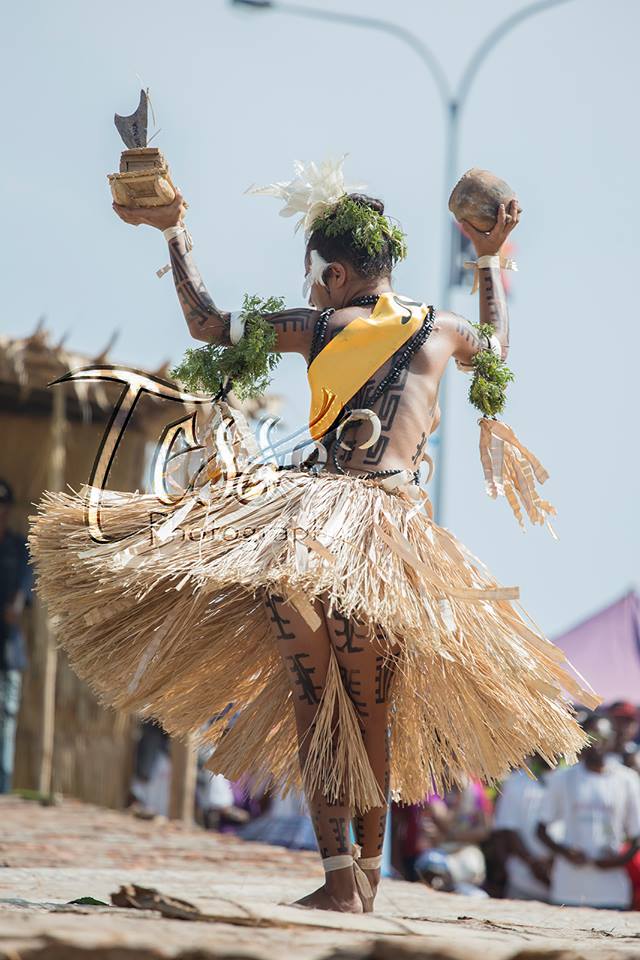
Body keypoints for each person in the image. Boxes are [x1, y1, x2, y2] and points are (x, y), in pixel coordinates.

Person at [30, 156, 595, 914]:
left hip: (314, 530)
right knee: (371, 710)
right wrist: (488, 259)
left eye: (310, 277)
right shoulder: (440, 329)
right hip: (396, 540)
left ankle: (339, 881)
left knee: (313, 698)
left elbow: (207, 324)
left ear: (332, 275)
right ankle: (362, 880)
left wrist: (175, 231)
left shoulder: (322, 324)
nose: (306, 290)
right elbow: (494, 349)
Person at [537, 714, 640, 910]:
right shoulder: (563, 778)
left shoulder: (627, 780)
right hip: (569, 889)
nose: (596, 744)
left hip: (612, 892)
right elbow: (541, 829)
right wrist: (565, 852)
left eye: (602, 737)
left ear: (612, 739)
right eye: (591, 737)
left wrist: (618, 861)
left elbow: (637, 835)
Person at [0, 479, 31, 794]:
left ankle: (3, 792)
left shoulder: (18, 549)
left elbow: (24, 596)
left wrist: (18, 602)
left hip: (8, 651)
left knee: (6, 723)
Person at [493, 757, 560, 901]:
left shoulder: (567, 780)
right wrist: (532, 864)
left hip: (563, 882)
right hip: (522, 881)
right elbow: (507, 829)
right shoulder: (515, 782)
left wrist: (554, 860)